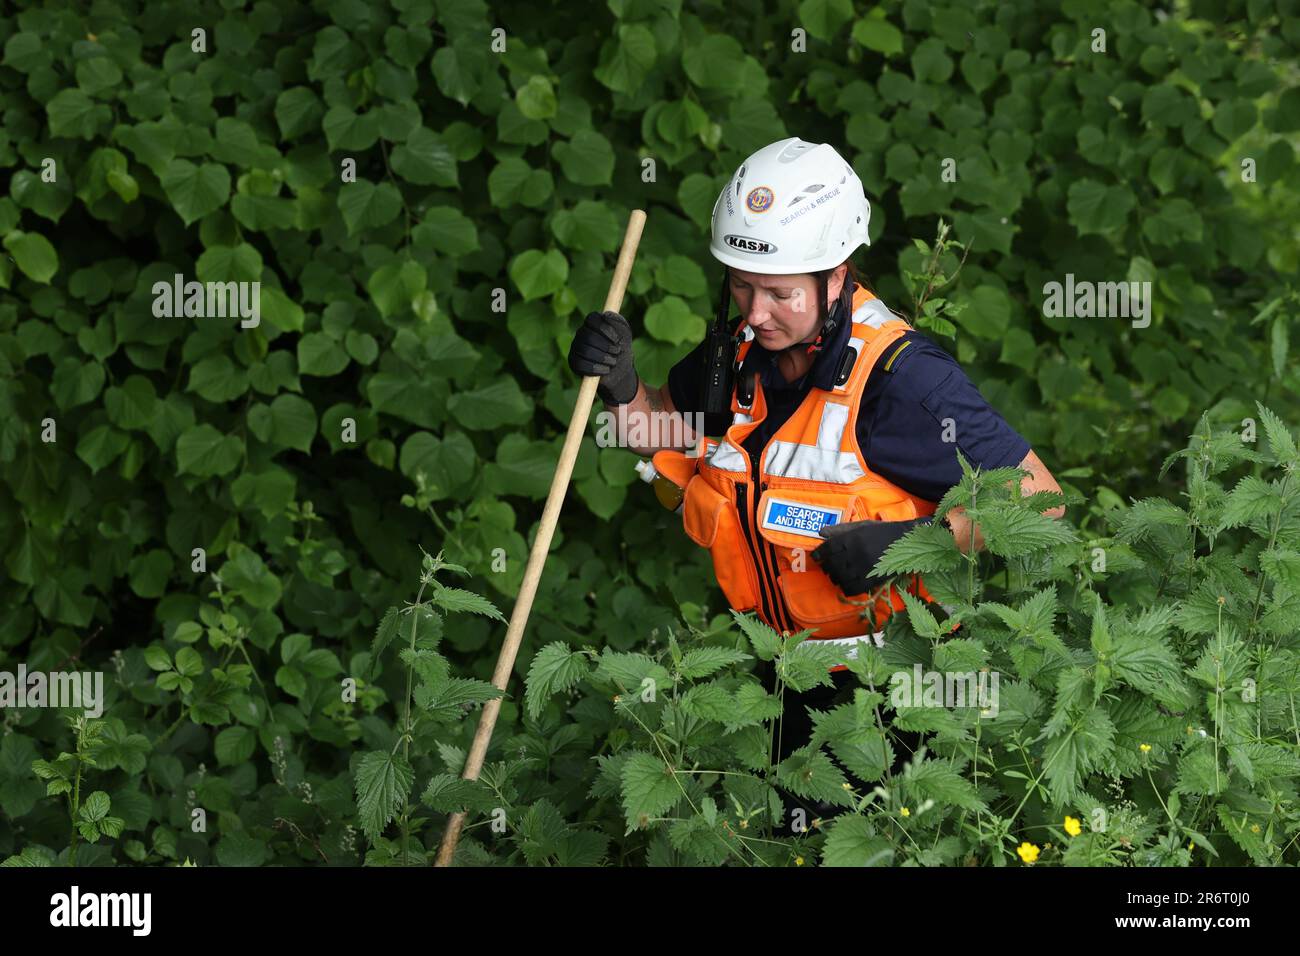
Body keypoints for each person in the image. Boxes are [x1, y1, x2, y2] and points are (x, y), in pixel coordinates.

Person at [568, 137, 1065, 833]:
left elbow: (1042, 500)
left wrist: (912, 542)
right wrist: (621, 388)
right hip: (785, 679)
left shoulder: (903, 381)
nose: (755, 312)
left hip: (902, 689)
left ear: (838, 275)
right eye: (741, 286)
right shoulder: (735, 356)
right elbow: (668, 441)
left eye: (779, 293)